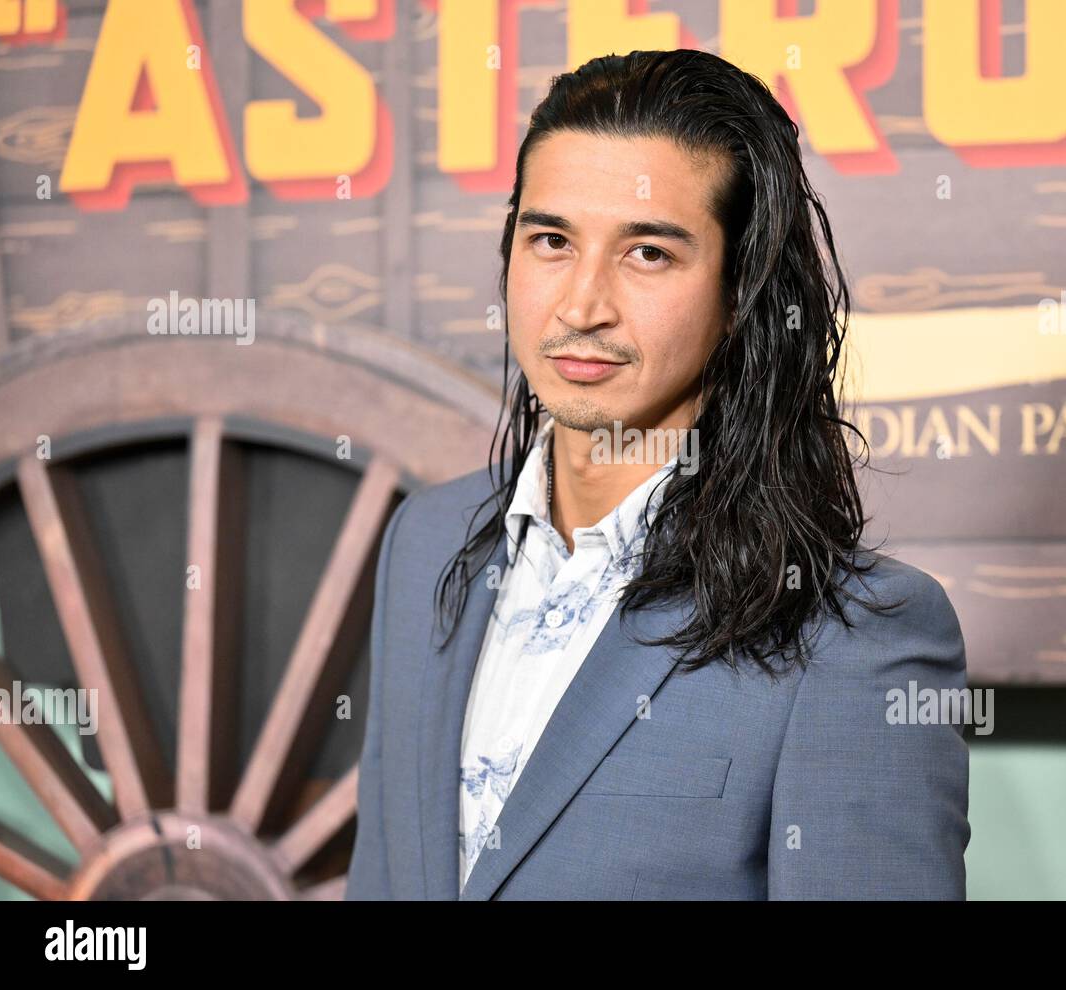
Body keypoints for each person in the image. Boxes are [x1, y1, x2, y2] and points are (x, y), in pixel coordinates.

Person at [346, 48, 970, 900]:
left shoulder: (854, 640)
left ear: (742, 292)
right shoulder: (425, 545)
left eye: (648, 254)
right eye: (552, 240)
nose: (579, 306)